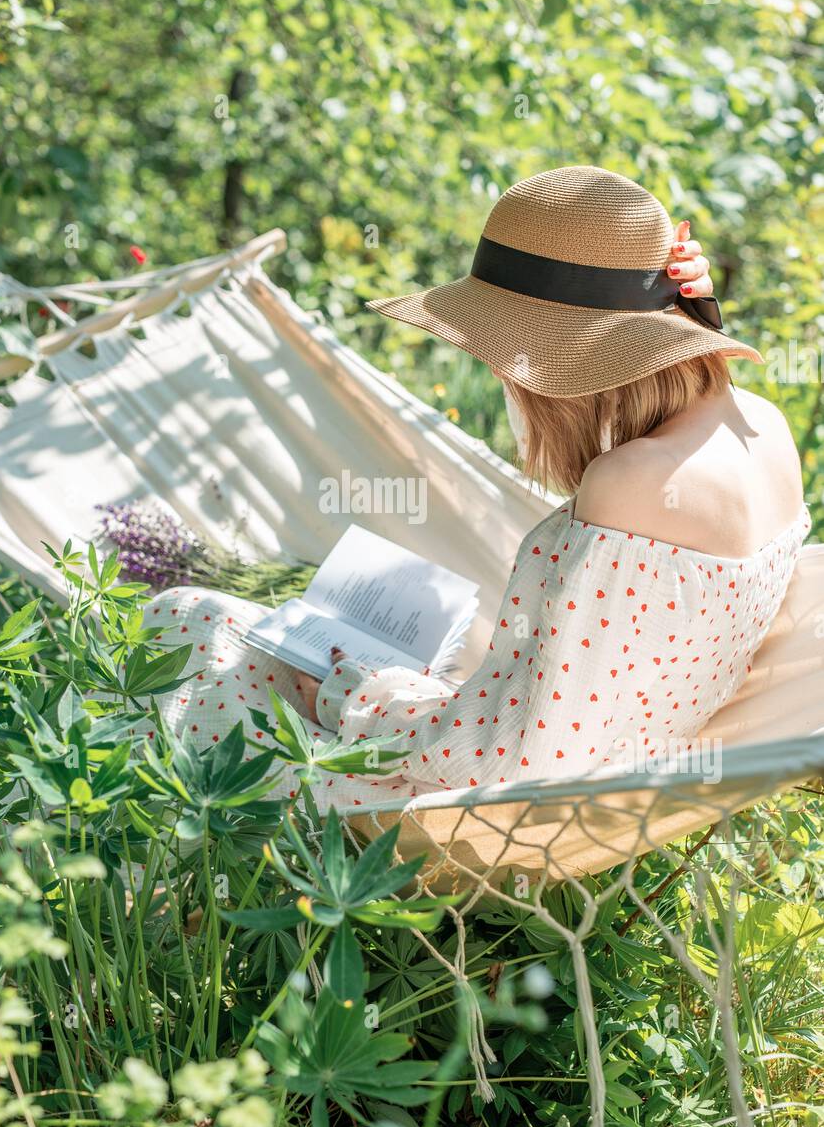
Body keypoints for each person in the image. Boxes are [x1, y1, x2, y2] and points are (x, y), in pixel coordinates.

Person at [151, 166, 809, 809]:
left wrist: (355, 692)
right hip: (593, 767)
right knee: (230, 625)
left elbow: (523, 764)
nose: (502, 376)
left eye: (503, 354)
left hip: (478, 817)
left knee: (187, 623)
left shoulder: (632, 483)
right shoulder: (762, 429)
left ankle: (131, 878)